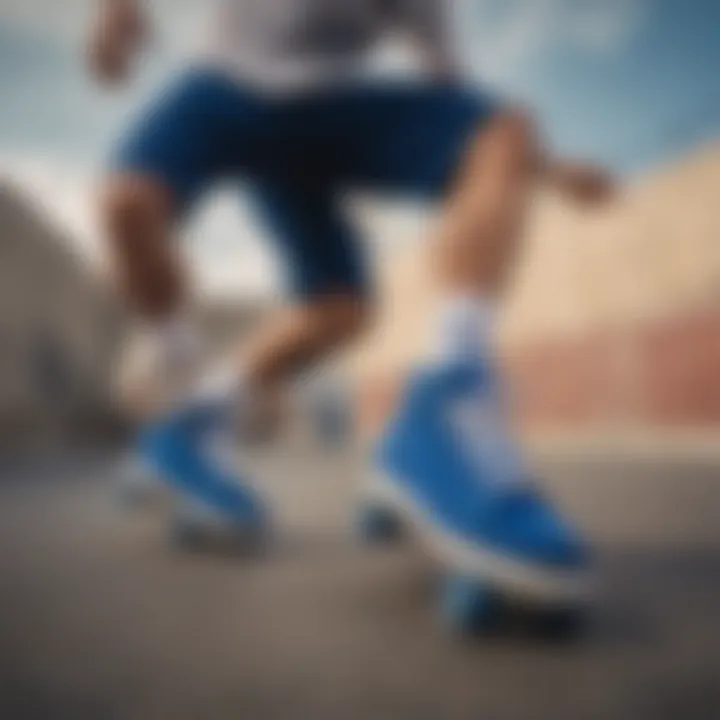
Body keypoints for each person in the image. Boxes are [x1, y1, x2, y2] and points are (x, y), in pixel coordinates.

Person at [90, 0, 613, 592]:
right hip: (227, 88)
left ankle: (445, 400)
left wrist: (549, 168)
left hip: (324, 117)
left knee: (351, 300)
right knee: (127, 204)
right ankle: (175, 368)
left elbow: (452, 96)